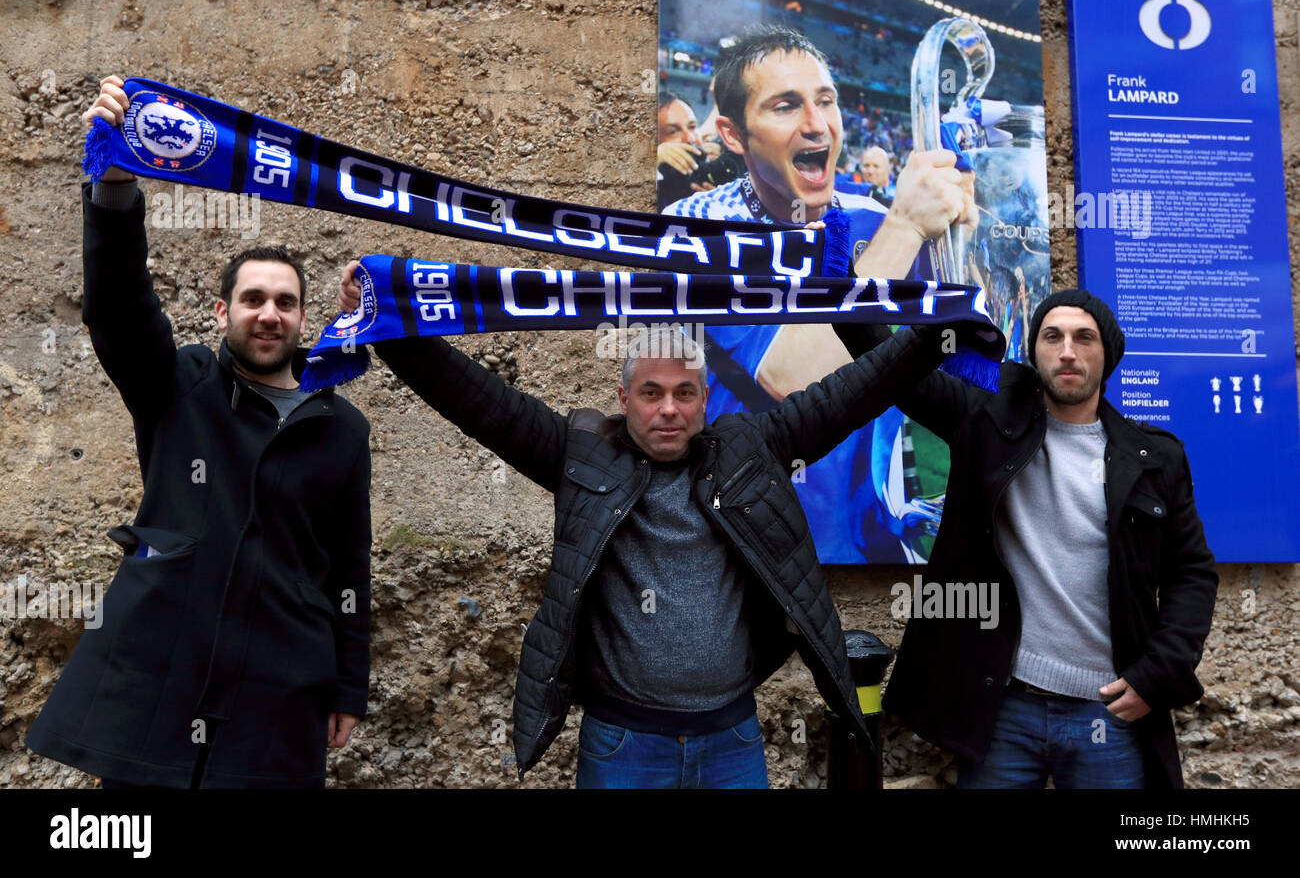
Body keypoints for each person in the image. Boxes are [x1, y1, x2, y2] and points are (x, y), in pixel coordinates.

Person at [339, 263, 954, 786]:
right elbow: (478, 399)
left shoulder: (749, 452)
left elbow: (849, 393)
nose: (668, 409)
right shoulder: (581, 457)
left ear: (705, 400)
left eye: (685, 394)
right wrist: (388, 328)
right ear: (624, 395)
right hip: (623, 747)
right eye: (651, 392)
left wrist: (934, 332)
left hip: (732, 741)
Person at [25, 76, 372, 789]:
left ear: (304, 318)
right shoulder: (177, 384)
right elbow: (120, 308)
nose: (268, 313)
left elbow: (349, 569)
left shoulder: (341, 426)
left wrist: (347, 684)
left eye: (285, 301)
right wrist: (115, 187)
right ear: (221, 313)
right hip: (160, 682)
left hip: (278, 699)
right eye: (253, 299)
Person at [835, 289, 1218, 788]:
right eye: (1051, 337)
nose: (1067, 352)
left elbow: (1192, 573)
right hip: (1004, 706)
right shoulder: (989, 423)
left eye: (1085, 338)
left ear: (1109, 355)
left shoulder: (1154, 459)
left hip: (1108, 710)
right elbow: (898, 376)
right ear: (1033, 351)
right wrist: (839, 284)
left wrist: (1159, 674)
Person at [662, 26, 971, 563]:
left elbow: (963, 349)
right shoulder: (695, 229)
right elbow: (791, 380)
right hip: (743, 548)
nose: (816, 124)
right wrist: (904, 231)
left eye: (825, 100)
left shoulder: (869, 220)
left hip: (871, 541)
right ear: (734, 136)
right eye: (786, 106)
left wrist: (968, 239)